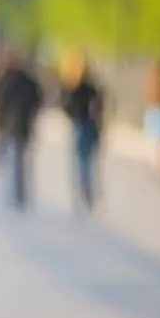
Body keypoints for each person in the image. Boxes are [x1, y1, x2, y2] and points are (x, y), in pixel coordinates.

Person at [0, 47, 44, 211]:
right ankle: (13, 194)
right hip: (9, 126)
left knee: (17, 163)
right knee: (9, 161)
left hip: (19, 126)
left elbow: (37, 98)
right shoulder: (3, 79)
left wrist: (28, 114)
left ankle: (18, 195)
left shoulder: (21, 80)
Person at [58, 50, 106, 213]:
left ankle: (83, 192)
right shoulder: (89, 87)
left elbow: (67, 105)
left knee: (81, 163)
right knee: (86, 163)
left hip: (83, 126)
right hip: (87, 126)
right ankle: (86, 192)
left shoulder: (78, 87)